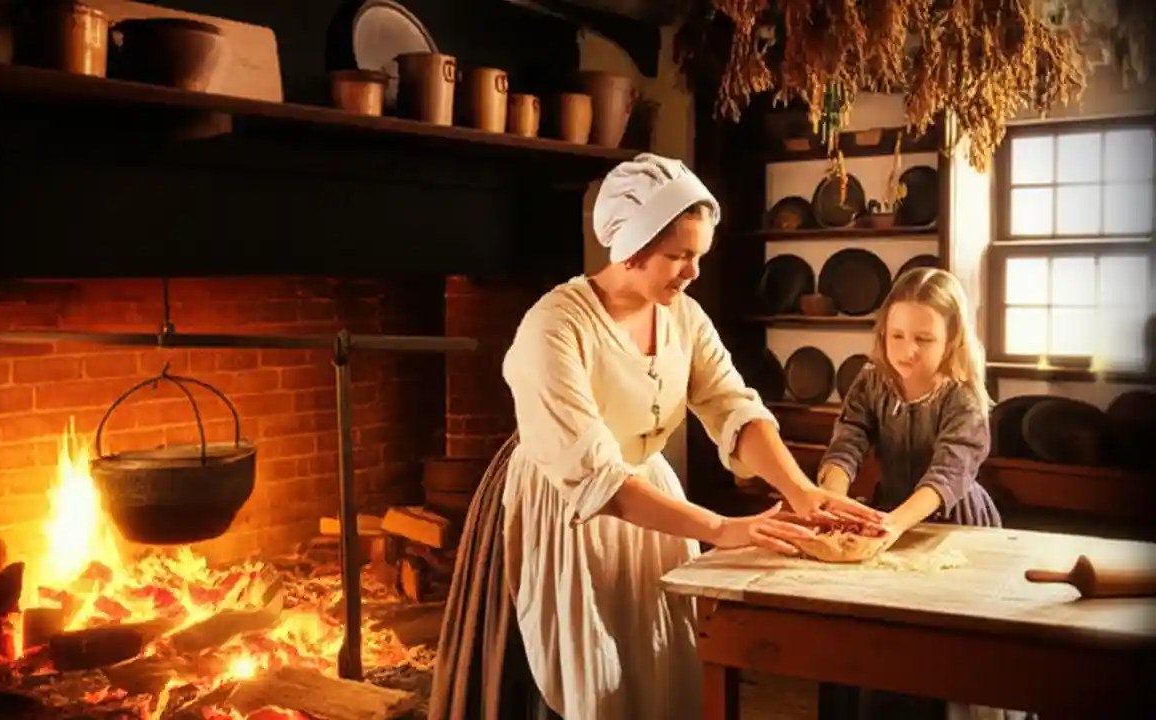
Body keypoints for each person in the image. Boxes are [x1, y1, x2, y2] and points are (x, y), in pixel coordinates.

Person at [428, 152, 886, 720]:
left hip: (650, 503)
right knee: (586, 674)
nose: (693, 272)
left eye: (699, 256)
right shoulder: (555, 326)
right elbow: (597, 479)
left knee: (655, 665)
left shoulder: (682, 317)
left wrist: (802, 491)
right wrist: (721, 529)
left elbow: (732, 406)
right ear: (632, 246)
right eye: (680, 256)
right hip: (563, 507)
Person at [816, 266, 1030, 720]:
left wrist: (891, 525)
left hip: (957, 525)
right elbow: (848, 441)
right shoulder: (872, 381)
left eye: (924, 339)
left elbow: (947, 474)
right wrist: (832, 501)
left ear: (952, 339)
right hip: (888, 516)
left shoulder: (963, 396)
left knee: (948, 649)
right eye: (897, 335)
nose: (907, 350)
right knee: (878, 643)